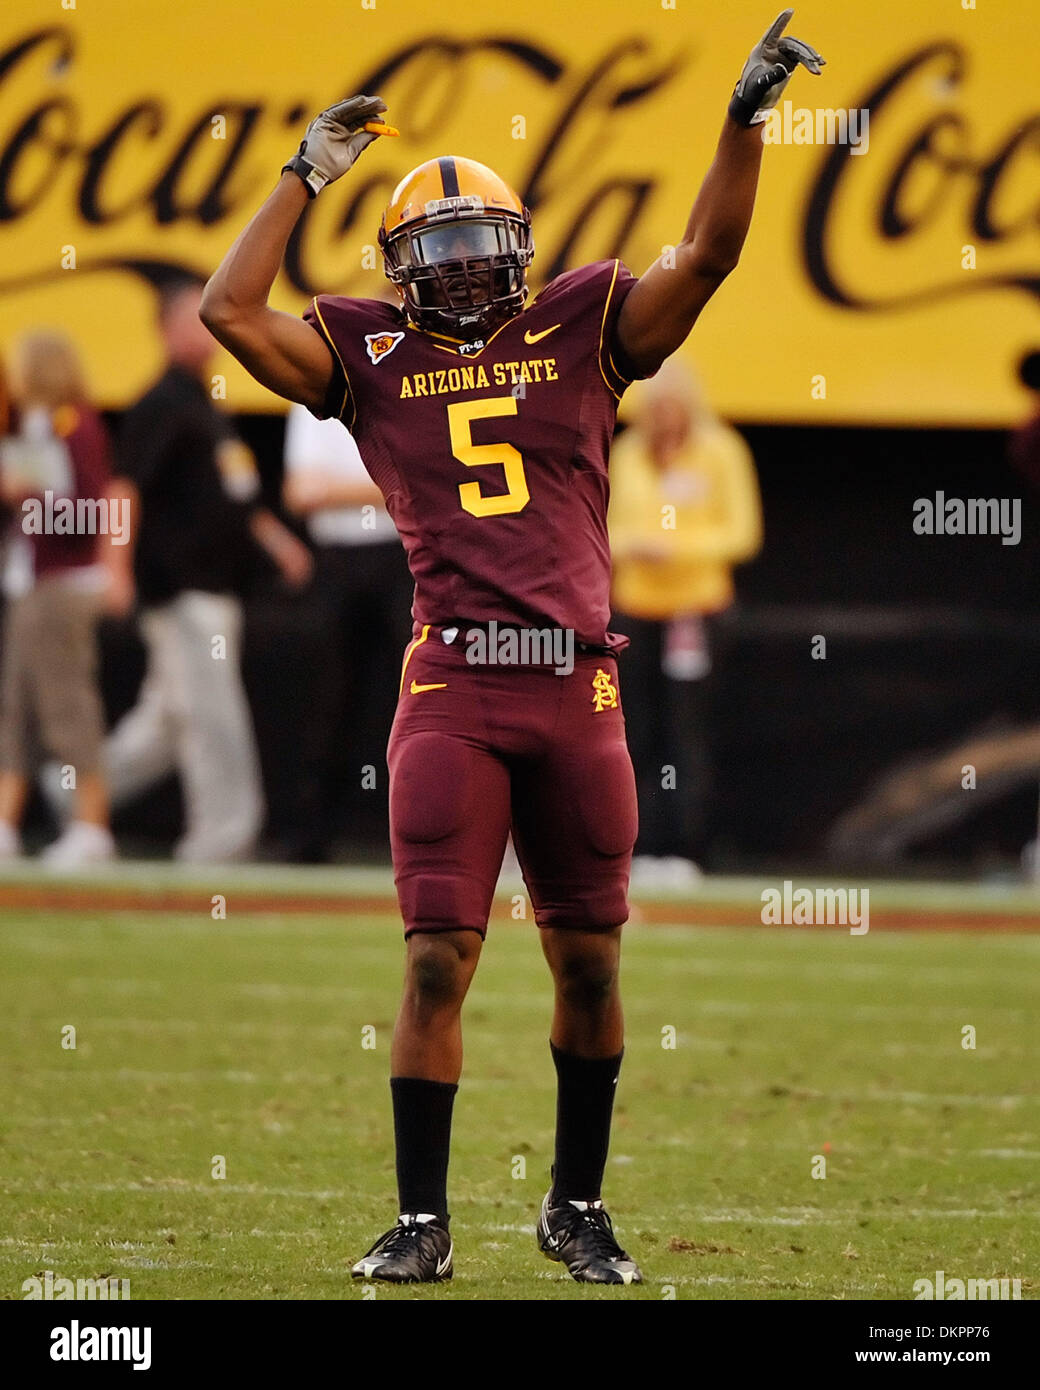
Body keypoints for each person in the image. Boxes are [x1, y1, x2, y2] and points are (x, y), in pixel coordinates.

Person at [201, 11, 824, 1285]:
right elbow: (226, 307)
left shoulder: (583, 328)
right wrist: (298, 175)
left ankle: (574, 1206)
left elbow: (704, 252)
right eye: (441, 251)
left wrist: (741, 118)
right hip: (452, 683)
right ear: (396, 266)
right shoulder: (368, 355)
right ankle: (422, 1221)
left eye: (485, 246)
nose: (469, 271)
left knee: (589, 956)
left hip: (577, 681)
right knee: (436, 956)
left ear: (523, 252)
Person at [104, 274, 312, 863]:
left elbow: (236, 497)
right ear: (168, 328)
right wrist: (116, 569)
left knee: (166, 722)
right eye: (192, 320)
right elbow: (124, 490)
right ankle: (221, 842)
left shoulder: (204, 402)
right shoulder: (158, 403)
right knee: (211, 717)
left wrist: (278, 545)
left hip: (217, 588)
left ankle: (75, 798)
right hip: (181, 589)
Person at [609, 359, 762, 881]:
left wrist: (674, 548)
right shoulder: (627, 453)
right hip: (634, 607)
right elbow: (604, 528)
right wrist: (634, 547)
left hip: (695, 610)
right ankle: (634, 843)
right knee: (631, 729)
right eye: (654, 408)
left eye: (671, 407)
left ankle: (685, 846)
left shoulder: (721, 451)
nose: (663, 417)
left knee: (687, 729)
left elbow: (742, 533)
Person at [0, 331, 116, 866]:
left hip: (62, 584)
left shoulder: (73, 425)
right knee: (17, 711)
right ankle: (6, 822)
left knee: (67, 704)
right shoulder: (39, 426)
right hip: (32, 584)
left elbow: (88, 514)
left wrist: (27, 494)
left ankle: (91, 825)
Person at [282, 404, 411, 859]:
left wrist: (341, 489)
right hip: (338, 560)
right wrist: (389, 486)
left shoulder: (399, 386)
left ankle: (414, 830)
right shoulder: (312, 402)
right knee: (329, 700)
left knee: (416, 694)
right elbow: (300, 493)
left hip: (402, 558)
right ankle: (313, 837)